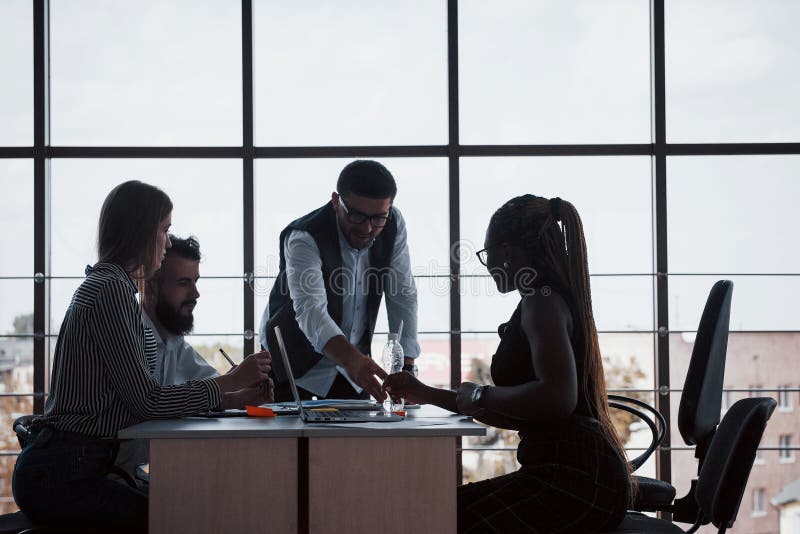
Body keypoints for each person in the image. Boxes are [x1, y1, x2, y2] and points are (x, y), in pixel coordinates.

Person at [12, 180, 273, 532]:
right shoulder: (111, 291)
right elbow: (147, 402)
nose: (167, 242)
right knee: (173, 519)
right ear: (142, 232)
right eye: (164, 230)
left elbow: (143, 398)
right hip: (66, 472)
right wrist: (229, 382)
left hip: (72, 465)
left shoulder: (109, 286)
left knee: (177, 511)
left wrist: (233, 395)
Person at [383, 194, 631, 533]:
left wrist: (482, 395)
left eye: (487, 254)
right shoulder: (544, 299)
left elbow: (558, 398)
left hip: (577, 483)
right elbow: (522, 407)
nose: (486, 265)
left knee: (444, 517)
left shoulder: (541, 303)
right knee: (444, 511)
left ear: (508, 252)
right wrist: (424, 392)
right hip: (574, 473)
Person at [260, 159, 420, 402]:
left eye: (377, 218)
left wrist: (406, 366)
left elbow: (402, 294)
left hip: (352, 371)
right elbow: (310, 311)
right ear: (336, 201)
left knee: (357, 439)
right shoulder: (304, 236)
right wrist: (353, 359)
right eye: (357, 216)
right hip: (292, 364)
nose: (367, 228)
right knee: (287, 437)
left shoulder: (393, 225)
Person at [142, 234, 219, 385]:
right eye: (183, 283)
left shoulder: (172, 339)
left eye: (195, 281)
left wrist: (240, 384)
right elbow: (152, 404)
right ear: (151, 287)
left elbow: (212, 381)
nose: (195, 294)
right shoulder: (131, 337)